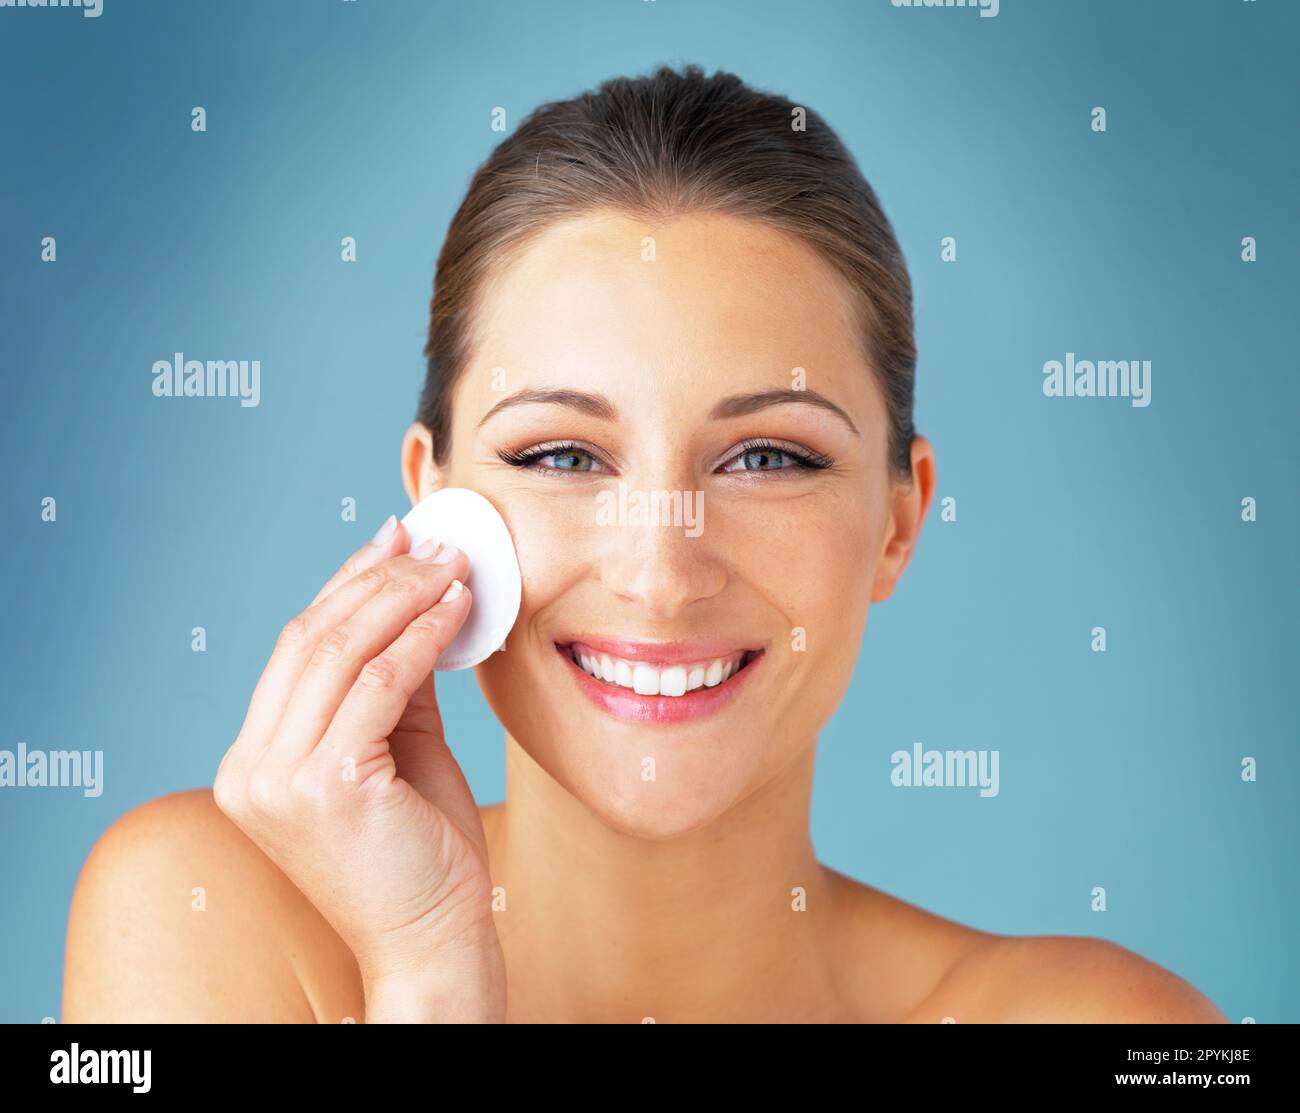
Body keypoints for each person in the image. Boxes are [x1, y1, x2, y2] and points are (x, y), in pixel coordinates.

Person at [62, 66, 1225, 1023]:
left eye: (768, 457)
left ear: (898, 520)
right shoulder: (196, 914)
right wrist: (428, 974)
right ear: (431, 508)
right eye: (562, 456)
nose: (660, 577)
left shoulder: (1116, 1028)